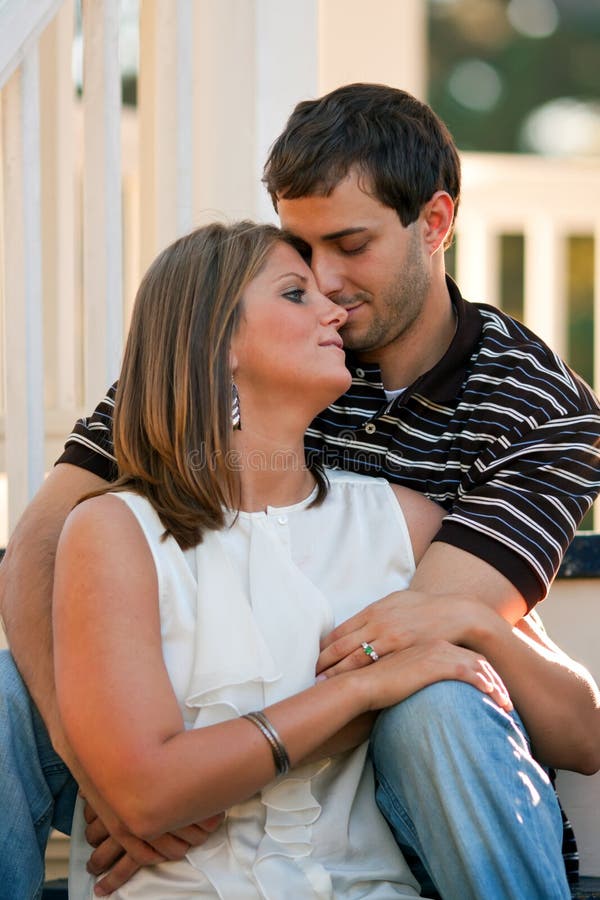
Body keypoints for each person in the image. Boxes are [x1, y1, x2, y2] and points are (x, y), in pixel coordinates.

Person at [0, 83, 599, 898]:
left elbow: (400, 648)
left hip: (386, 775)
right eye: (300, 253)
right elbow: (38, 545)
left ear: (434, 223)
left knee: (435, 706)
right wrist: (105, 770)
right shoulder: (227, 356)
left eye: (349, 245)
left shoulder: (536, 406)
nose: (325, 284)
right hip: (168, 738)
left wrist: (191, 778)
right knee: (3, 691)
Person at [54, 219, 512, 898]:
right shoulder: (114, 533)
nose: (335, 309)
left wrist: (480, 629)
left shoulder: (402, 522)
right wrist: (359, 686)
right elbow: (147, 796)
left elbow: (581, 732)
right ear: (219, 342)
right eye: (296, 294)